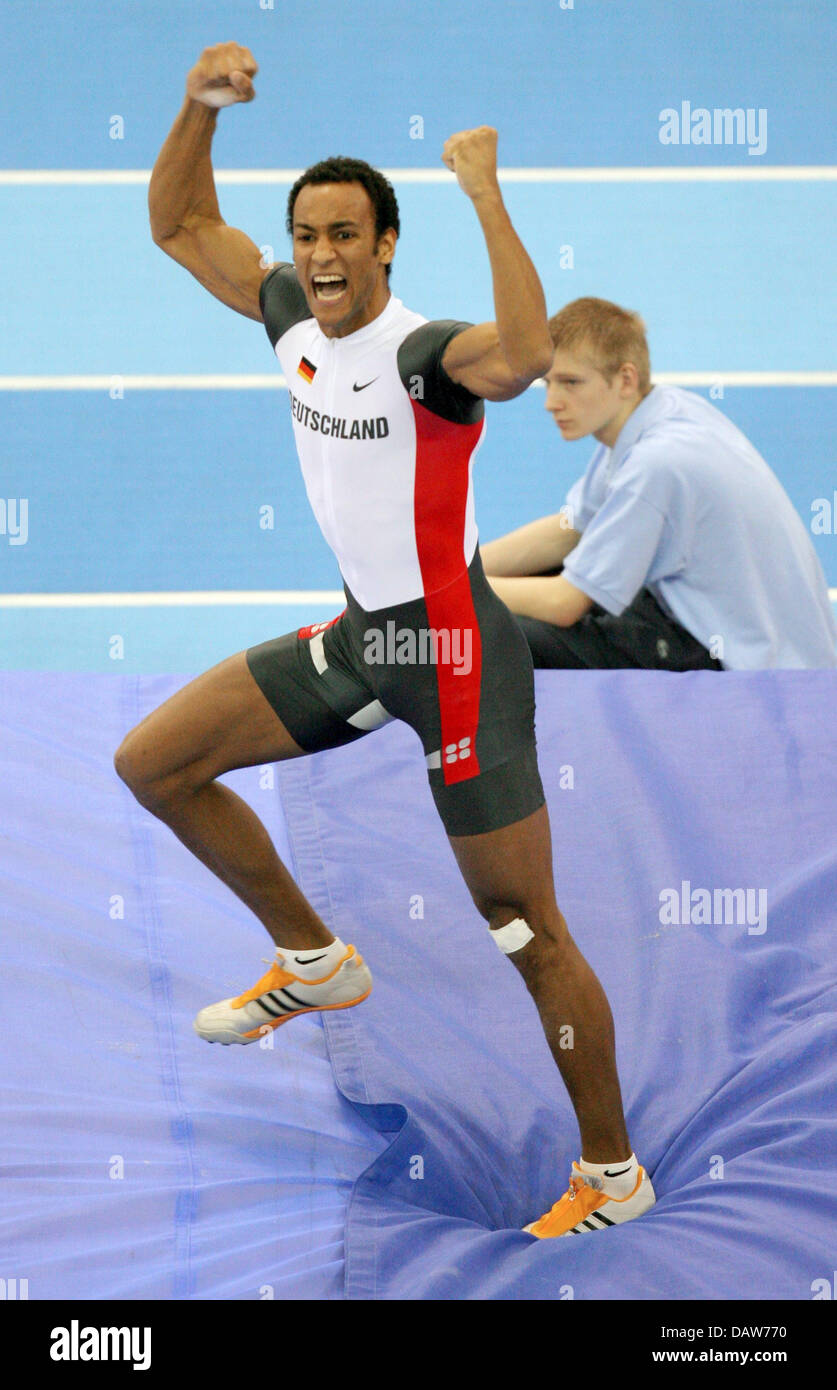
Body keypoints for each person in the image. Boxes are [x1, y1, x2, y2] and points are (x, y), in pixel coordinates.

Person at [114, 42, 655, 1238]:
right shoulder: (288, 320)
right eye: (307, 234)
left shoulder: (426, 357)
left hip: (456, 660)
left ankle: (613, 1173)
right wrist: (196, 107)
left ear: (385, 244)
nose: (319, 256)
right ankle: (313, 960)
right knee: (155, 763)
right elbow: (178, 222)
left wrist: (488, 197)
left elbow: (519, 355)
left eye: (344, 235)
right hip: (369, 642)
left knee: (524, 930)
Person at [482, 297, 837, 670]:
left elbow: (565, 603)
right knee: (514, 590)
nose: (551, 402)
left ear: (625, 379)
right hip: (709, 613)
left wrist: (455, 589)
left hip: (739, 659)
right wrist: (461, 564)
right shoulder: (662, 411)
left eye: (570, 383)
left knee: (497, 630)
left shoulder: (655, 465)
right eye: (548, 382)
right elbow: (572, 528)